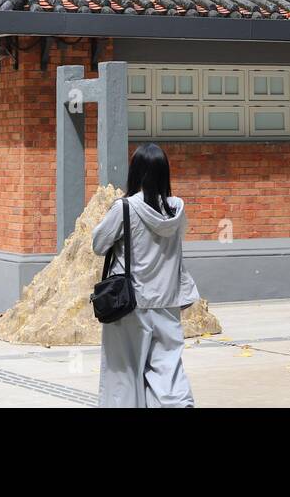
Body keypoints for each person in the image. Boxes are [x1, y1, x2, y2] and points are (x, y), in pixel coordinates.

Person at [92, 142, 199, 407]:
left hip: (130, 304)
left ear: (136, 172)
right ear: (165, 173)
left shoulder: (125, 208)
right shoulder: (177, 208)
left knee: (124, 371)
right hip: (168, 301)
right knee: (168, 366)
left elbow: (98, 245)